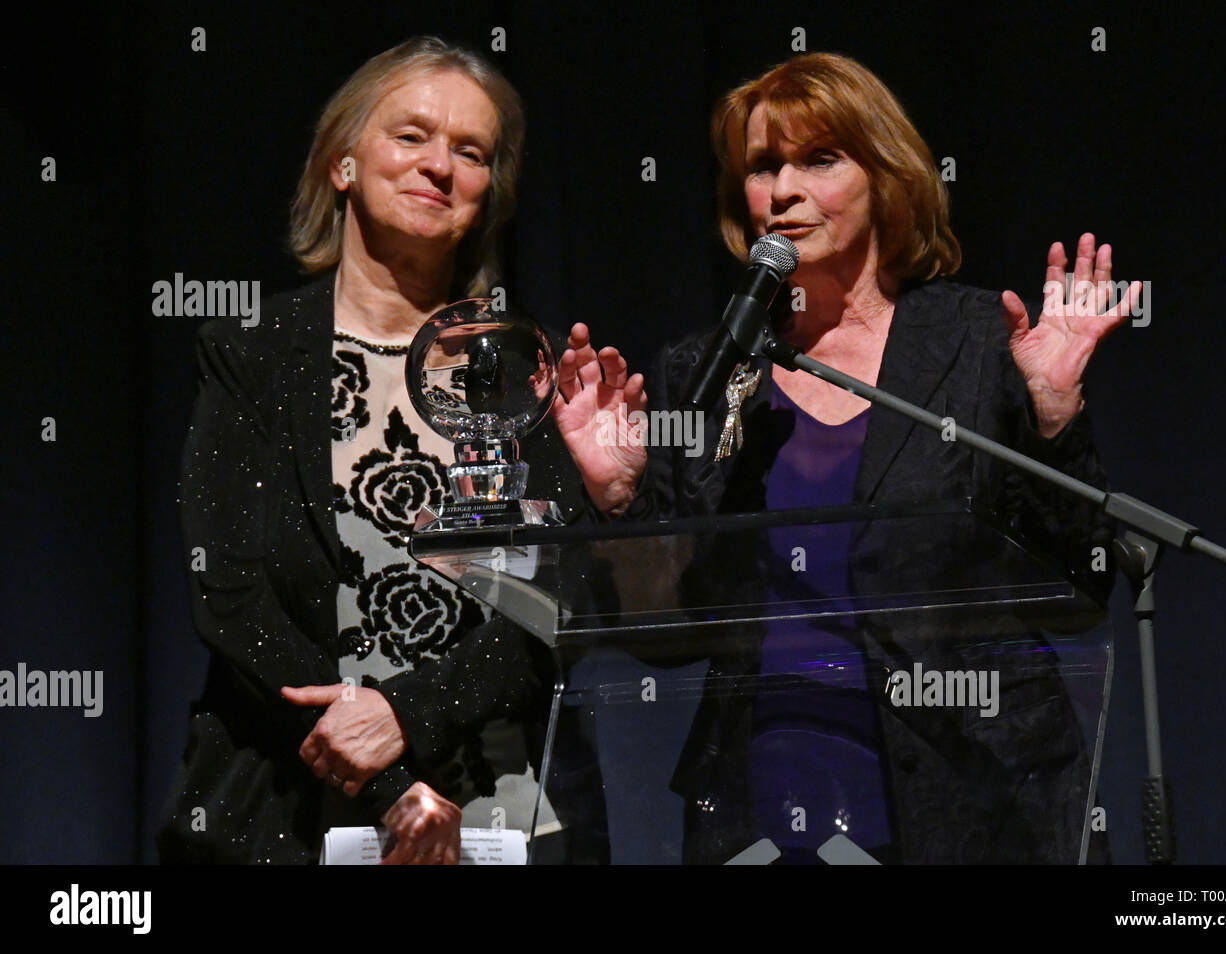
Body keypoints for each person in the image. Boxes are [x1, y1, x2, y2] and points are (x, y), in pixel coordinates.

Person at [552, 52, 1139, 863]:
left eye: (819, 159)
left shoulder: (977, 343)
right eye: (763, 166)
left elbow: (1078, 588)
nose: (782, 189)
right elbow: (668, 638)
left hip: (974, 800)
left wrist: (1052, 417)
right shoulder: (712, 371)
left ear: (885, 177)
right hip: (763, 803)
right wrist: (618, 501)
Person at [157, 36, 590, 865]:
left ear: (486, 195)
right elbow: (231, 596)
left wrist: (407, 716)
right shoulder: (250, 352)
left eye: (471, 152)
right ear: (343, 164)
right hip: (279, 806)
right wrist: (387, 785)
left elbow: (545, 606)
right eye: (412, 136)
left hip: (487, 813)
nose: (440, 166)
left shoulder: (517, 371)